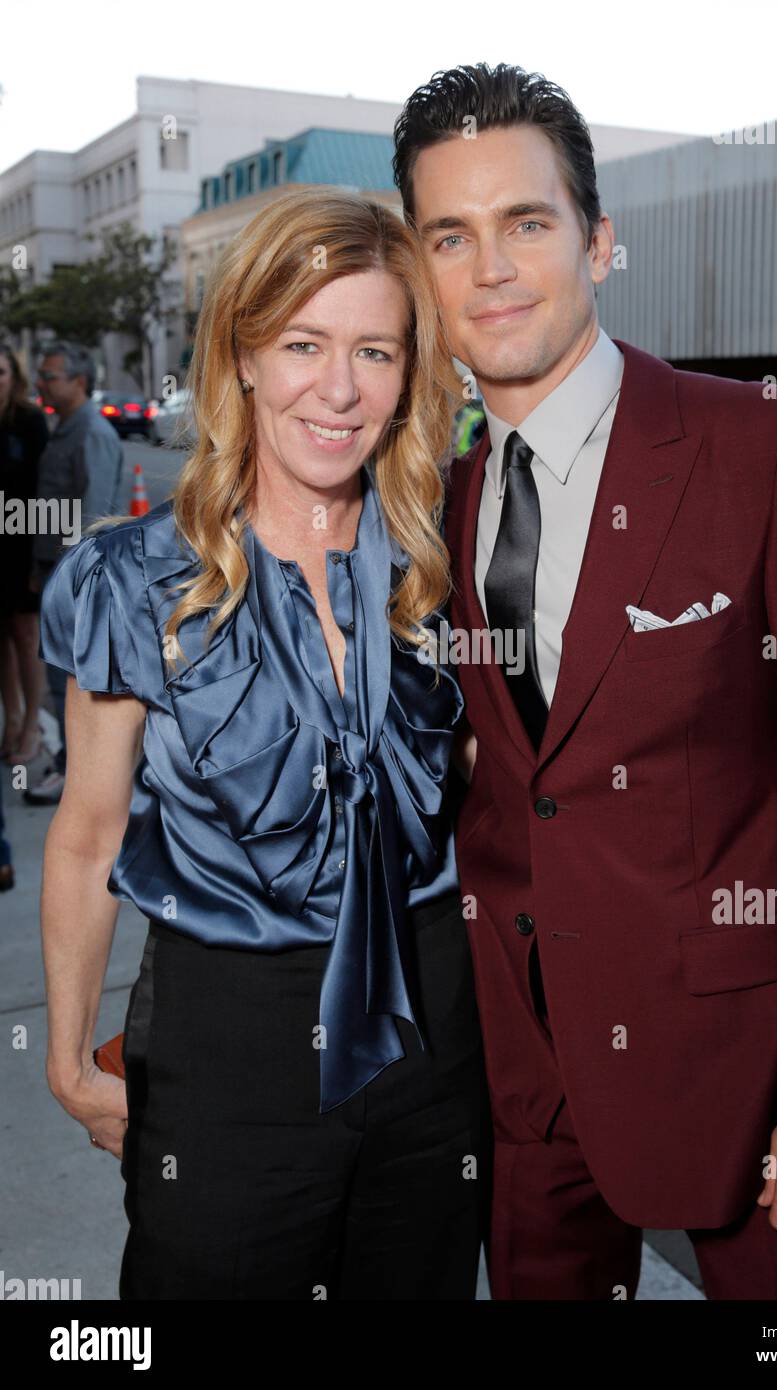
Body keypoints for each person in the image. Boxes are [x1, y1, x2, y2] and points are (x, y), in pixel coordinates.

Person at [392, 61, 777, 1300]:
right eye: (449, 235)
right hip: (530, 1094)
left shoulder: (774, 446)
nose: (489, 267)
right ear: (420, 270)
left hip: (755, 1104)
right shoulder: (445, 500)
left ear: (597, 239)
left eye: (524, 222)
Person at [39, 189, 491, 1300]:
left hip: (436, 1039)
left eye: (374, 350)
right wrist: (65, 1054)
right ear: (241, 354)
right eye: (303, 343)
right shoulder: (132, 577)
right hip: (226, 1047)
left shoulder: (451, 567)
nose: (338, 389)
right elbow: (88, 833)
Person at [27, 341, 123, 805]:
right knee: (57, 680)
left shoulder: (92, 433)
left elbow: (92, 521)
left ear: (78, 381)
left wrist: (71, 589)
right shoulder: (64, 427)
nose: (41, 383)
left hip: (75, 582)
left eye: (50, 376)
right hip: (53, 575)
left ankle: (77, 774)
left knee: (74, 681)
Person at [0, 342, 50, 765]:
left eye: (0, 372)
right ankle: (12, 719)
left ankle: (33, 724)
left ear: (13, 377)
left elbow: (45, 490)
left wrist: (38, 559)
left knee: (25, 634)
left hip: (22, 540)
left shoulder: (30, 422)